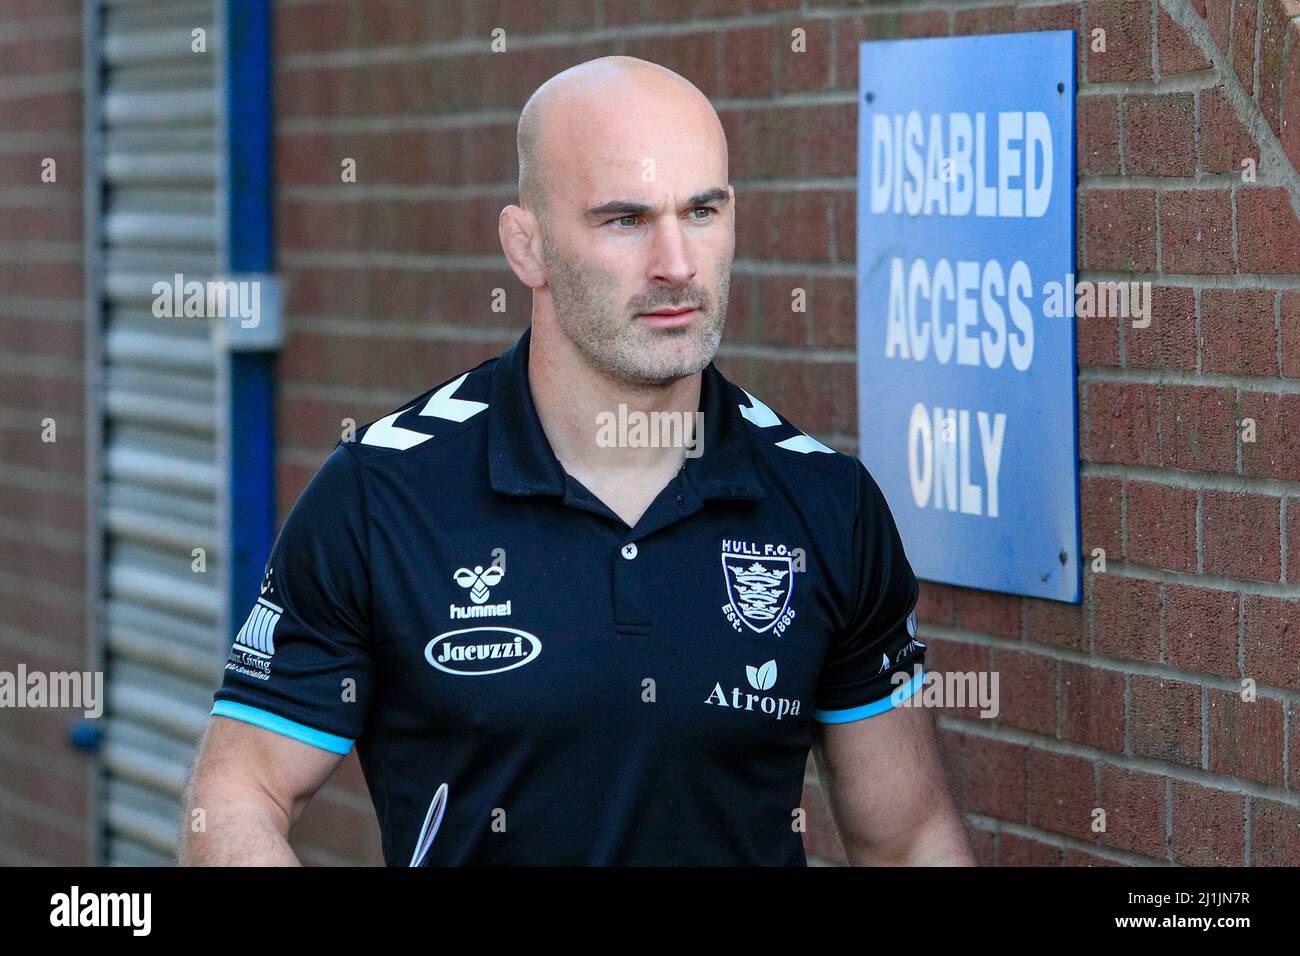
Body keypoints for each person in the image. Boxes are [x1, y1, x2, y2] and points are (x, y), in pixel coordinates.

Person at [180, 55, 974, 866]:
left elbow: (909, 839)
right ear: (526, 246)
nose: (677, 265)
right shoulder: (382, 493)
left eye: (701, 211)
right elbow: (240, 794)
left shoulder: (827, 504)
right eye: (625, 220)